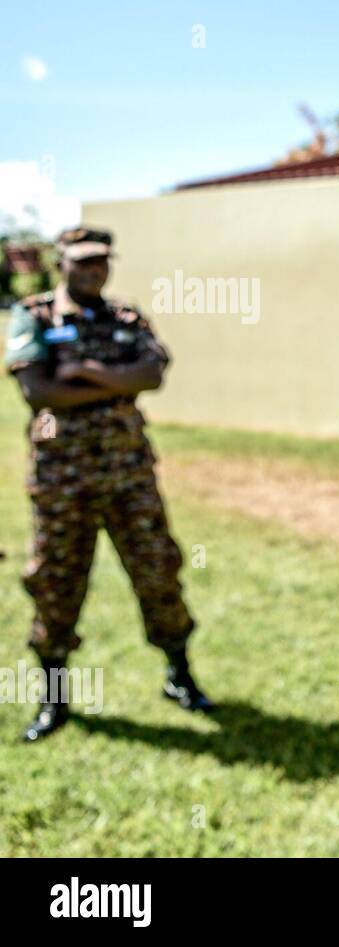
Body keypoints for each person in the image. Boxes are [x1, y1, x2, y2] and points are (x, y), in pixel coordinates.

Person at [5, 226, 211, 742]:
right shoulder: (33, 315)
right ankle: (54, 701)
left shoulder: (126, 316)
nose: (96, 270)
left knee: (158, 573)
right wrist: (114, 380)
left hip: (129, 477)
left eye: (102, 261)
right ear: (62, 262)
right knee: (55, 584)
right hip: (62, 481)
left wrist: (85, 371)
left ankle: (179, 676)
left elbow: (151, 375)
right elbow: (37, 391)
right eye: (84, 261)